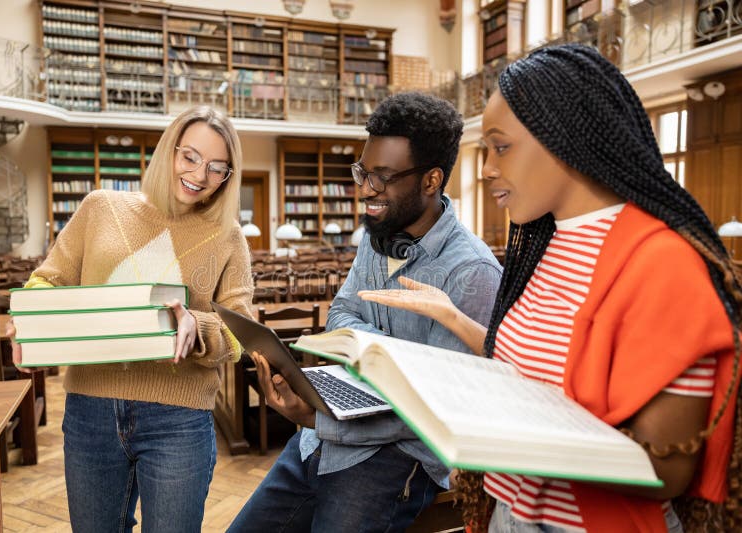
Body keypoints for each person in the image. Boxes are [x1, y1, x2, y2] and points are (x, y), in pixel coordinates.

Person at [359, 43, 742, 532]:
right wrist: (453, 317)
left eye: (501, 146)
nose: (486, 169)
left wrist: (492, 431)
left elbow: (665, 469)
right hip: (512, 516)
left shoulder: (663, 261)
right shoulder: (547, 245)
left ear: (565, 136)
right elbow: (542, 367)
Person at [227, 92, 503, 532]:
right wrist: (392, 363)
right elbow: (340, 314)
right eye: (363, 172)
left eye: (384, 177)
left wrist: (319, 414)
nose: (366, 189)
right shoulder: (377, 238)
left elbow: (428, 411)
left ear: (431, 181)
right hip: (320, 439)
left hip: (395, 458)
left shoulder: (472, 273)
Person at [7, 106, 254, 533]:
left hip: (180, 417)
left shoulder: (228, 233)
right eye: (190, 156)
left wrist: (199, 327)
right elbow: (48, 279)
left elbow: (241, 332)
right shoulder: (101, 208)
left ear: (227, 176)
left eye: (218, 168)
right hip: (90, 410)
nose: (200, 174)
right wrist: (31, 322)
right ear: (169, 151)